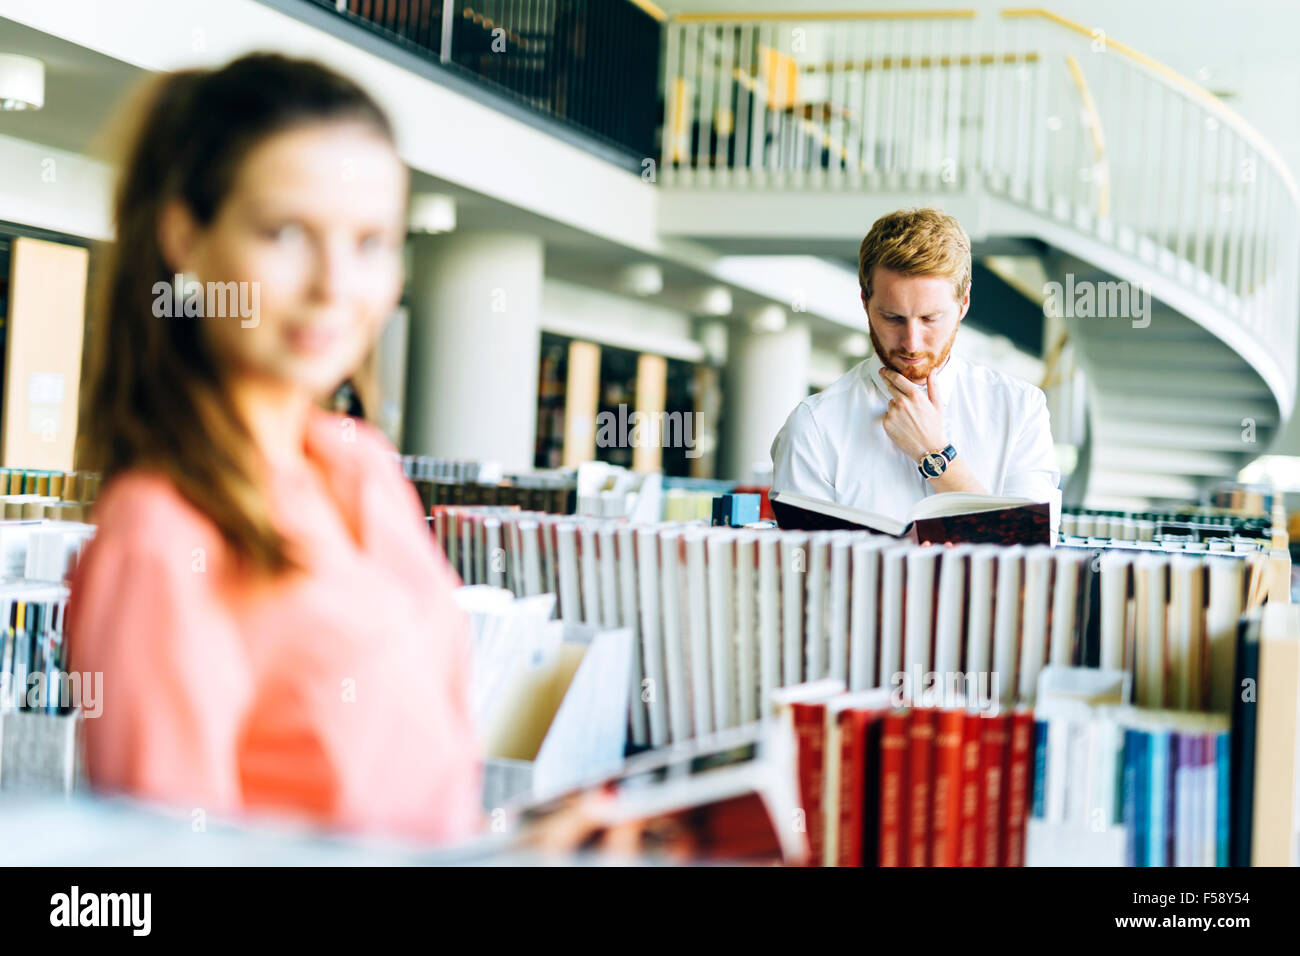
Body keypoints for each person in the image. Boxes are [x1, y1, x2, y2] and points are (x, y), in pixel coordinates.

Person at [66, 53, 483, 843]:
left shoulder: (359, 465)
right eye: (287, 232)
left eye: (371, 242)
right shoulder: (161, 535)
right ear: (186, 238)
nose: (335, 284)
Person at [770, 208, 1059, 521]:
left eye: (929, 319)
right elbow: (803, 565)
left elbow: (1031, 558)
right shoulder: (813, 427)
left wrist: (936, 455)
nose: (912, 342)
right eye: (893, 317)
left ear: (963, 304)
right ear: (865, 301)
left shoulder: (1020, 409)